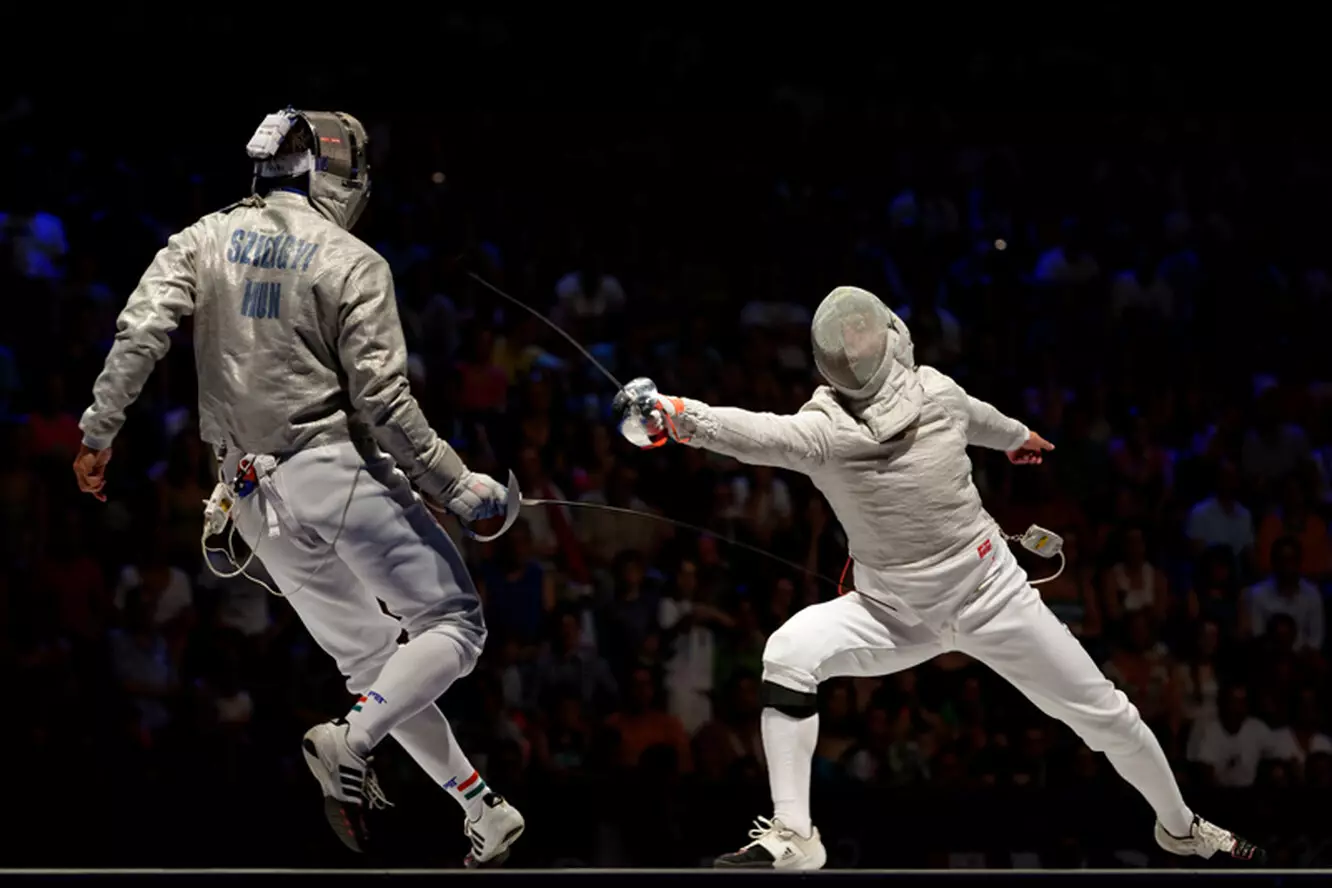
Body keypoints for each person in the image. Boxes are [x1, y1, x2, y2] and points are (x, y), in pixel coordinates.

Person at [614, 286, 1264, 869]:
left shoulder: (833, 429)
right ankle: (795, 833)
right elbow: (976, 420)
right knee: (790, 654)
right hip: (897, 611)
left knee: (1109, 717)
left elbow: (751, 432)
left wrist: (673, 415)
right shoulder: (922, 395)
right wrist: (1016, 437)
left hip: (991, 600)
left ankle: (1180, 828)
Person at [72, 108, 524, 866]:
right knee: (455, 623)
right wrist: (462, 488)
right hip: (331, 471)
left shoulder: (200, 239)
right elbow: (383, 405)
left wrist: (97, 432)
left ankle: (482, 808)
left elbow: (139, 331)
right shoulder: (352, 259)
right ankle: (349, 739)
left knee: (379, 668)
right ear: (333, 175)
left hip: (249, 498)